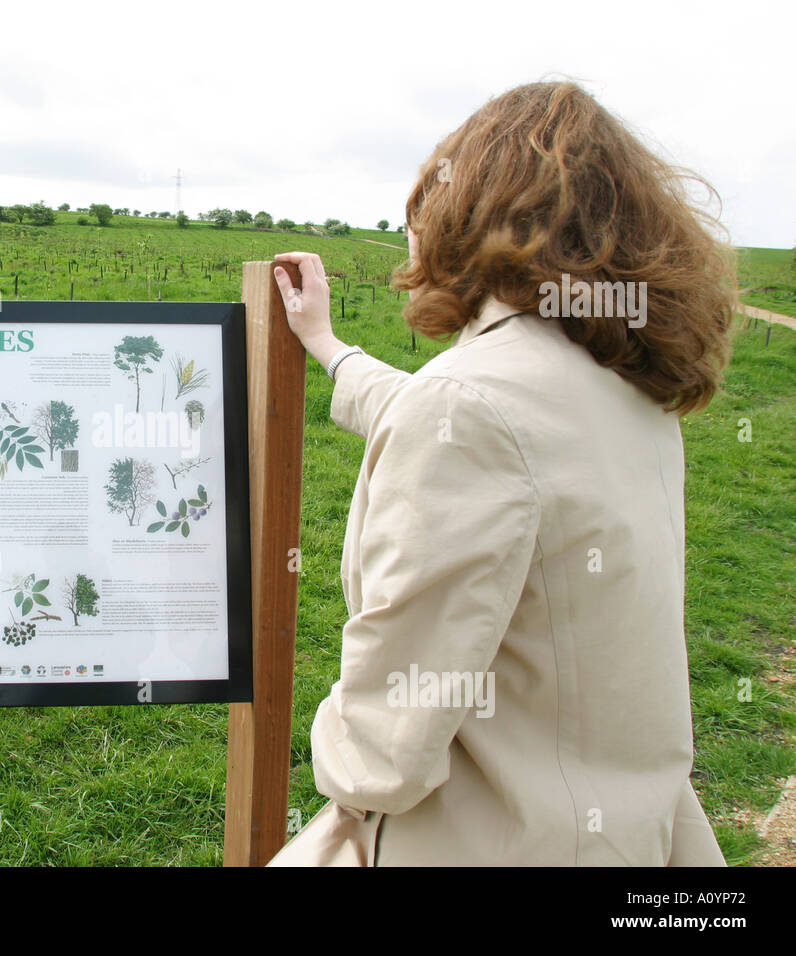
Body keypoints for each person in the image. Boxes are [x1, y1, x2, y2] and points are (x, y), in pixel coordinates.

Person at [267, 80, 735, 866]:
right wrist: (328, 344)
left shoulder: (474, 405)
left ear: (472, 214)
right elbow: (471, 432)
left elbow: (390, 741)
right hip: (624, 833)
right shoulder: (623, 380)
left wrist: (335, 760)